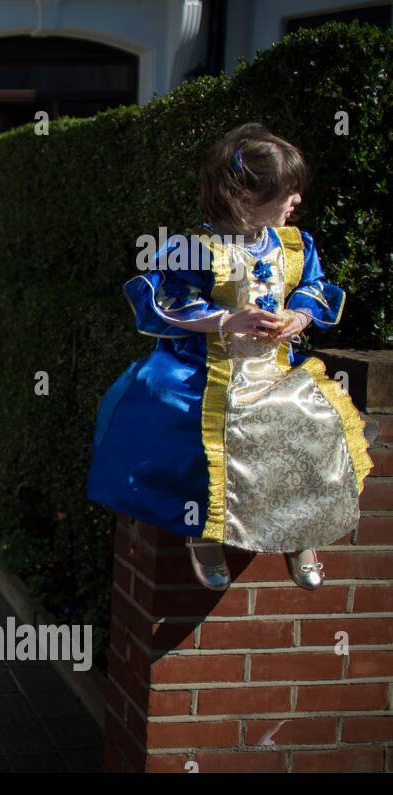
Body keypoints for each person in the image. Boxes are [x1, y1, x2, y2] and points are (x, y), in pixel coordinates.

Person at [87, 123, 372, 591]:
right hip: (205, 368)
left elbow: (315, 289)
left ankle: (302, 532)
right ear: (243, 195)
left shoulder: (293, 245)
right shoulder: (193, 247)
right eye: (286, 190)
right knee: (193, 426)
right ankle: (203, 533)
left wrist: (299, 319)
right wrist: (227, 321)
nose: (297, 199)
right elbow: (165, 301)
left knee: (314, 422)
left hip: (275, 369)